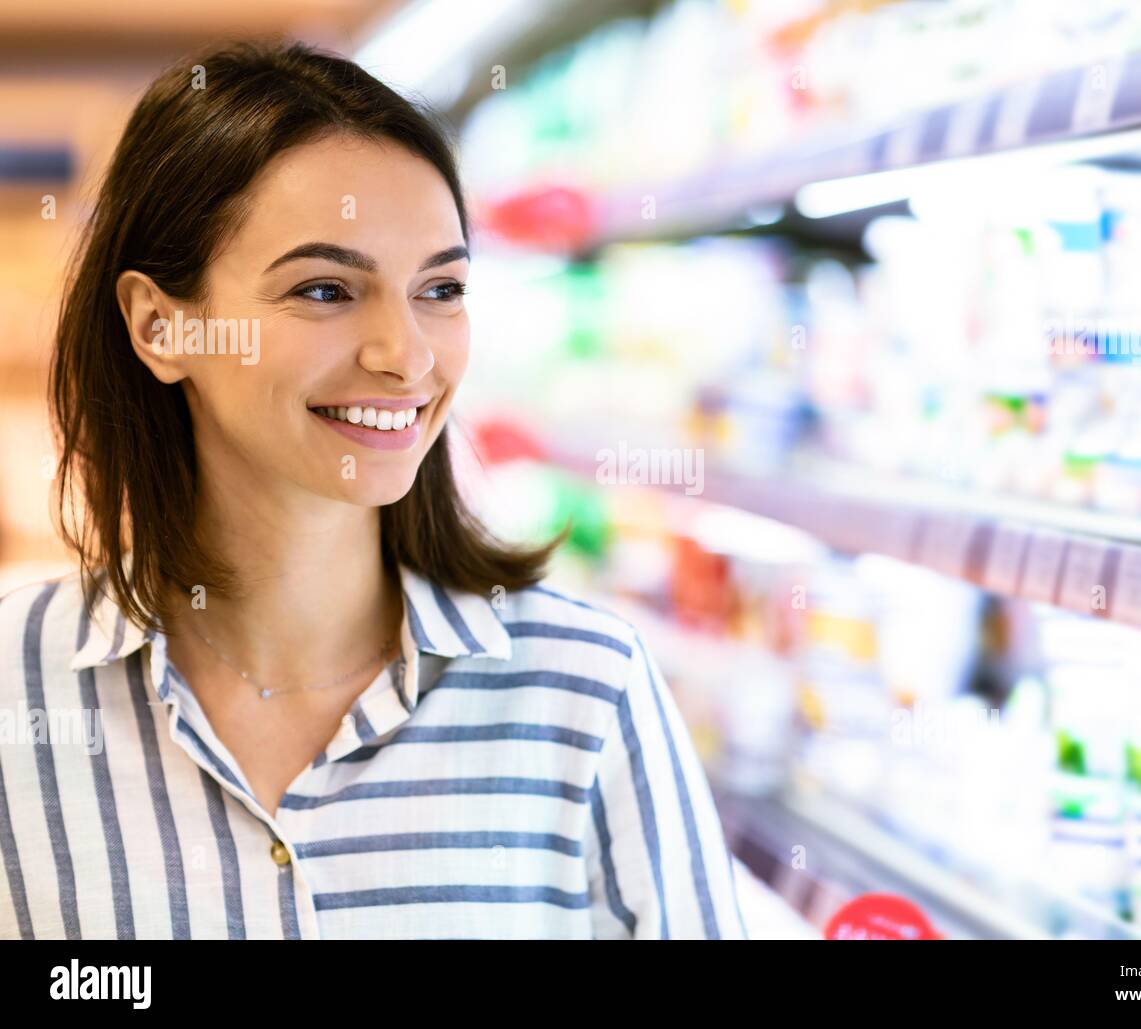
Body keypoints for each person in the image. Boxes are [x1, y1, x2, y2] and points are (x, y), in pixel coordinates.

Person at [0, 41, 748, 940]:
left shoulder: (585, 689)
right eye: (325, 289)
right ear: (160, 327)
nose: (408, 355)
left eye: (440, 288)